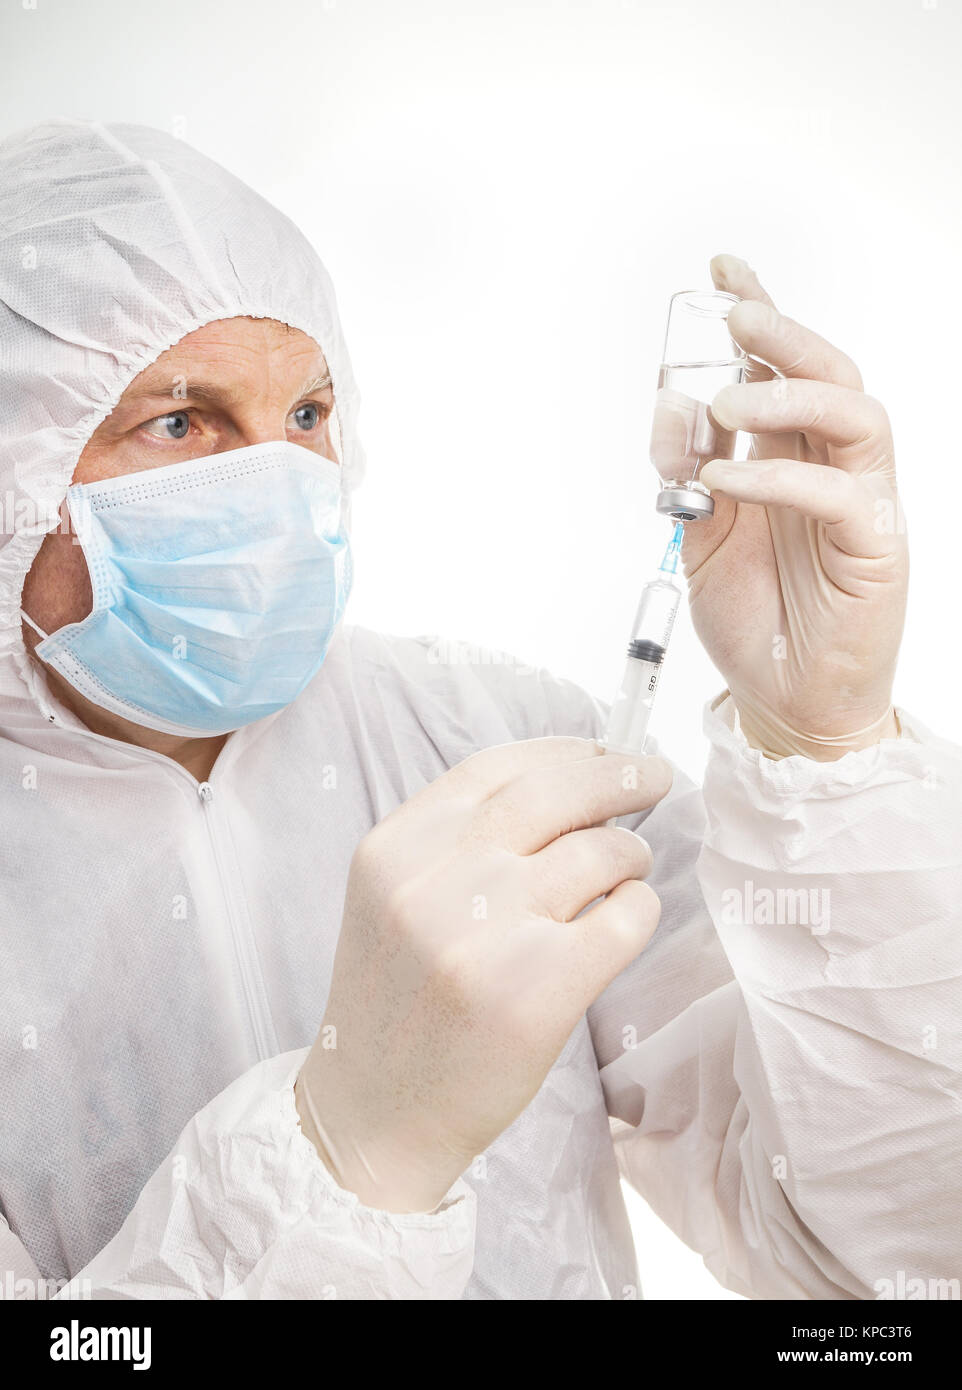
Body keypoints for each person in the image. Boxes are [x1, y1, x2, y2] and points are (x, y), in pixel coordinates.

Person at [0, 119, 958, 1302]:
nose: (282, 486)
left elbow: (879, 1261)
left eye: (305, 416)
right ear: (18, 458)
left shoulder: (490, 740)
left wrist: (826, 752)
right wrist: (351, 1151)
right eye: (182, 421)